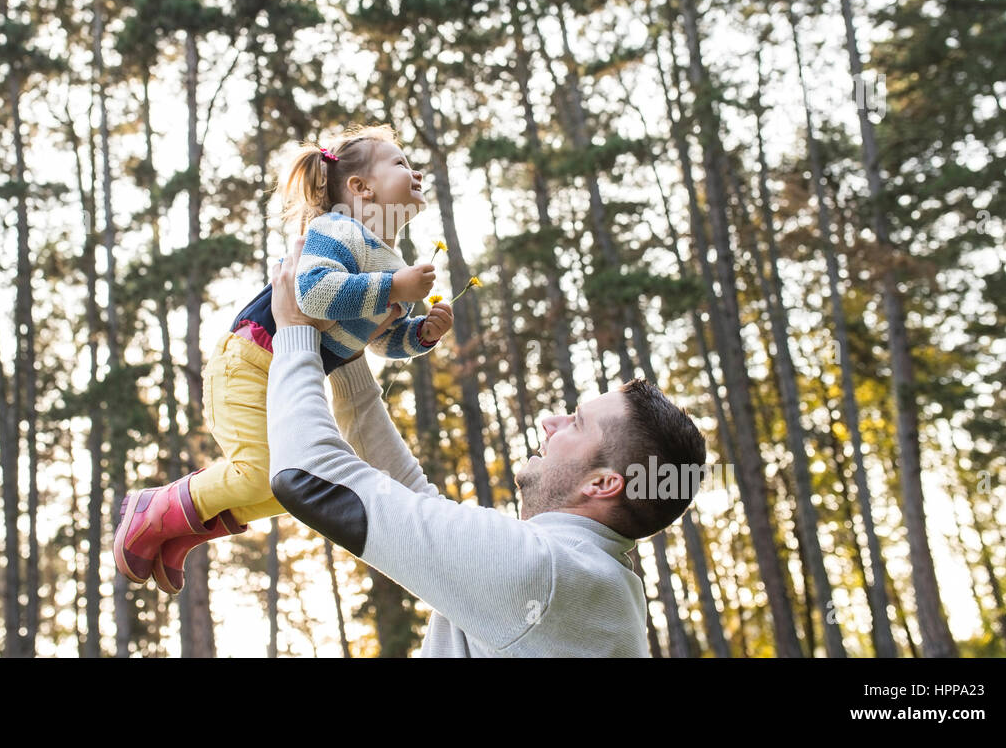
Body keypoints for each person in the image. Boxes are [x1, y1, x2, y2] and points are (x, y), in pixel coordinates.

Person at [266, 236, 708, 657]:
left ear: (604, 482)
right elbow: (413, 501)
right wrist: (347, 360)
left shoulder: (545, 576)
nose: (551, 422)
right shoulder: (589, 580)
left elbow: (307, 477)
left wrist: (295, 332)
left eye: (576, 423)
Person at [113, 123, 455, 595]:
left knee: (294, 482)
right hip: (251, 362)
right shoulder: (338, 229)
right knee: (263, 473)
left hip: (284, 378)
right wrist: (397, 290)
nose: (415, 172)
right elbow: (314, 294)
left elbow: (378, 341)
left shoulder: (394, 263)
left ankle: (179, 530)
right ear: (361, 187)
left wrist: (420, 335)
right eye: (400, 163)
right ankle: (158, 507)